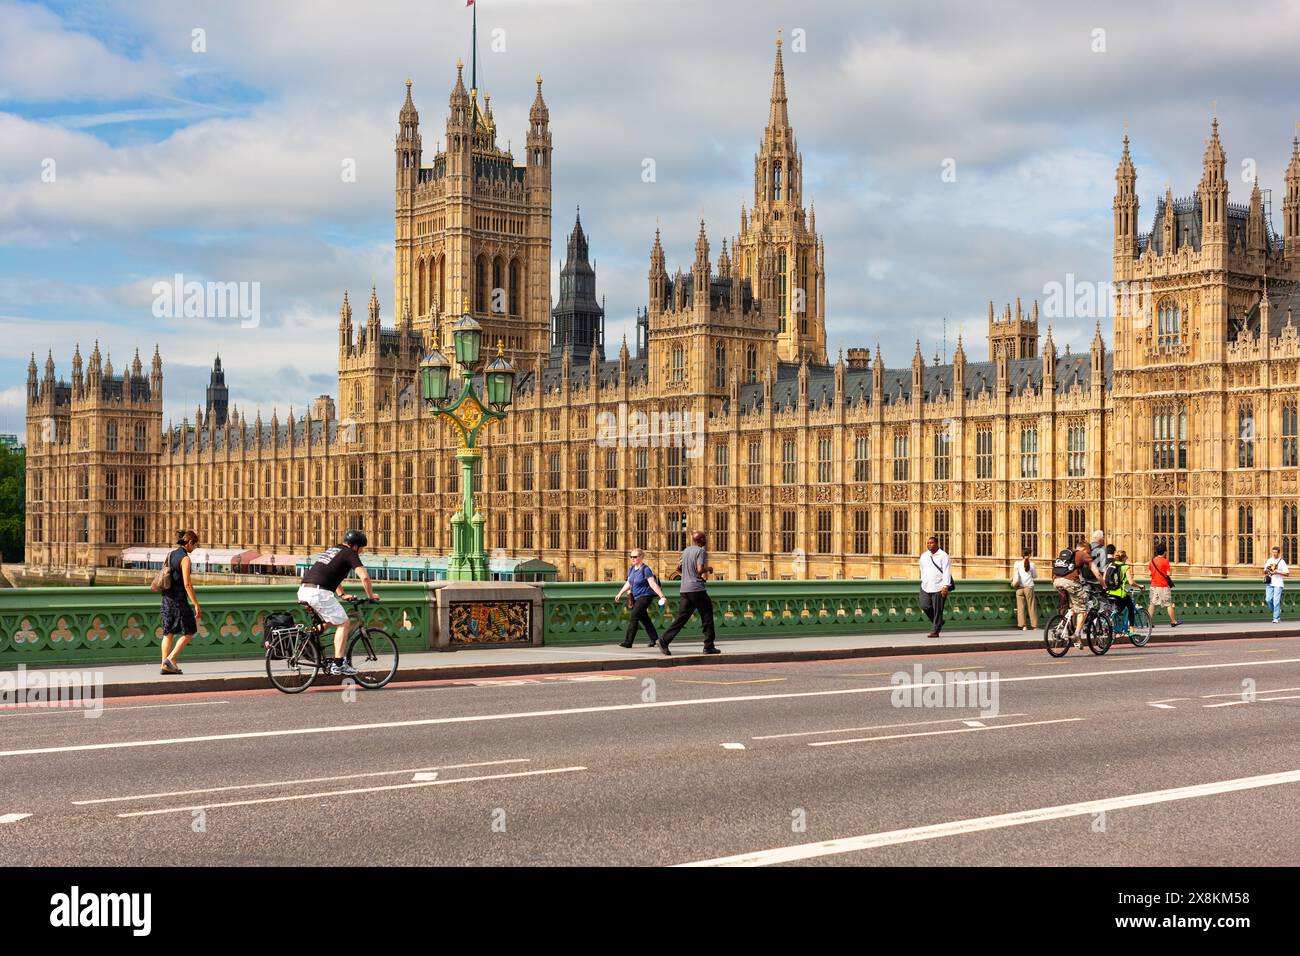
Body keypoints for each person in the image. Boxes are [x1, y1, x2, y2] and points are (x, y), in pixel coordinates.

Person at [297, 528, 380, 676]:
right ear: (355, 546)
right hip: (319, 593)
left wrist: (342, 594)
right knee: (344, 623)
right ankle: (338, 664)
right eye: (361, 549)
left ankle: (307, 640)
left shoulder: (334, 549)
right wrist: (371, 595)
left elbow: (331, 574)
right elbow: (365, 577)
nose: (361, 552)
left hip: (304, 590)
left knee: (333, 619)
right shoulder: (350, 553)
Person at [658, 530, 719, 656]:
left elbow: (678, 568)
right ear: (701, 540)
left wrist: (689, 575)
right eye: (705, 538)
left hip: (684, 589)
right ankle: (709, 646)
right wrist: (709, 569)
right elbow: (700, 569)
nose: (706, 540)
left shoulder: (685, 551)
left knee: (681, 618)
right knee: (707, 616)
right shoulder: (700, 551)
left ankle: (664, 640)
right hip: (697, 589)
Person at [159, 530, 201, 675]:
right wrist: (196, 604)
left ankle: (165, 665)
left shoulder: (170, 554)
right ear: (190, 542)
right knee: (190, 630)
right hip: (178, 601)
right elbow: (187, 584)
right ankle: (170, 659)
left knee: (168, 632)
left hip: (166, 599)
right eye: (194, 545)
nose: (194, 548)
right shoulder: (185, 559)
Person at [614, 548, 667, 648]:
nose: (632, 559)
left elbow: (653, 584)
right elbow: (629, 583)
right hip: (636, 597)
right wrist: (620, 593)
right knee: (645, 619)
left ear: (641, 557)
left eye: (635, 557)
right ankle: (655, 639)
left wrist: (662, 596)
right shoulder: (631, 569)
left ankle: (628, 641)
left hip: (645, 597)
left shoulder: (646, 569)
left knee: (634, 616)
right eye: (631, 557)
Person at [919, 535, 952, 638]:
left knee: (938, 610)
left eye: (932, 543)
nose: (930, 545)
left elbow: (946, 571)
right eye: (928, 543)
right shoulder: (924, 556)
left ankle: (935, 631)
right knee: (924, 605)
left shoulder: (943, 555)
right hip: (926, 585)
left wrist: (945, 586)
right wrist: (923, 580)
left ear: (937, 544)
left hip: (939, 586)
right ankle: (939, 622)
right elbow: (922, 569)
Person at [1147, 541, 1180, 628]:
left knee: (1152, 604)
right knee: (1168, 604)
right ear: (1165, 552)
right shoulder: (1165, 561)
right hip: (1163, 586)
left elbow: (1149, 573)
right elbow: (1168, 574)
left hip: (1153, 585)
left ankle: (1149, 622)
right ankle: (1173, 621)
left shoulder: (1151, 561)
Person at [1107, 549, 1137, 638]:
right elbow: (1131, 582)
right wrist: (1139, 586)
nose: (1127, 558)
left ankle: (1117, 629)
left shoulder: (1110, 565)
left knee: (1118, 610)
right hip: (1119, 593)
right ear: (1123, 558)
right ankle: (1131, 630)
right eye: (1126, 557)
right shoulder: (1125, 567)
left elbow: (1105, 577)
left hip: (1109, 592)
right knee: (1131, 607)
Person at [1011, 549, 1037, 630]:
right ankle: (1034, 626)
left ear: (1022, 555)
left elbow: (1015, 575)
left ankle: (1023, 626)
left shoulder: (1017, 563)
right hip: (1029, 587)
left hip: (1019, 588)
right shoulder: (1032, 564)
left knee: (1021, 607)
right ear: (1030, 555)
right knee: (1031, 607)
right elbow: (1034, 576)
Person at [1264, 546, 1290, 624]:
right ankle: (1277, 611)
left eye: (1275, 552)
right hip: (1270, 582)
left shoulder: (1282, 562)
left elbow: (1287, 574)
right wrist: (1268, 571)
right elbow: (1265, 571)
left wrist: (1277, 572)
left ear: (1279, 553)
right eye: (1273, 552)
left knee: (1276, 601)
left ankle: (1276, 618)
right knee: (1268, 600)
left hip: (1278, 583)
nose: (1274, 554)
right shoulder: (1269, 560)